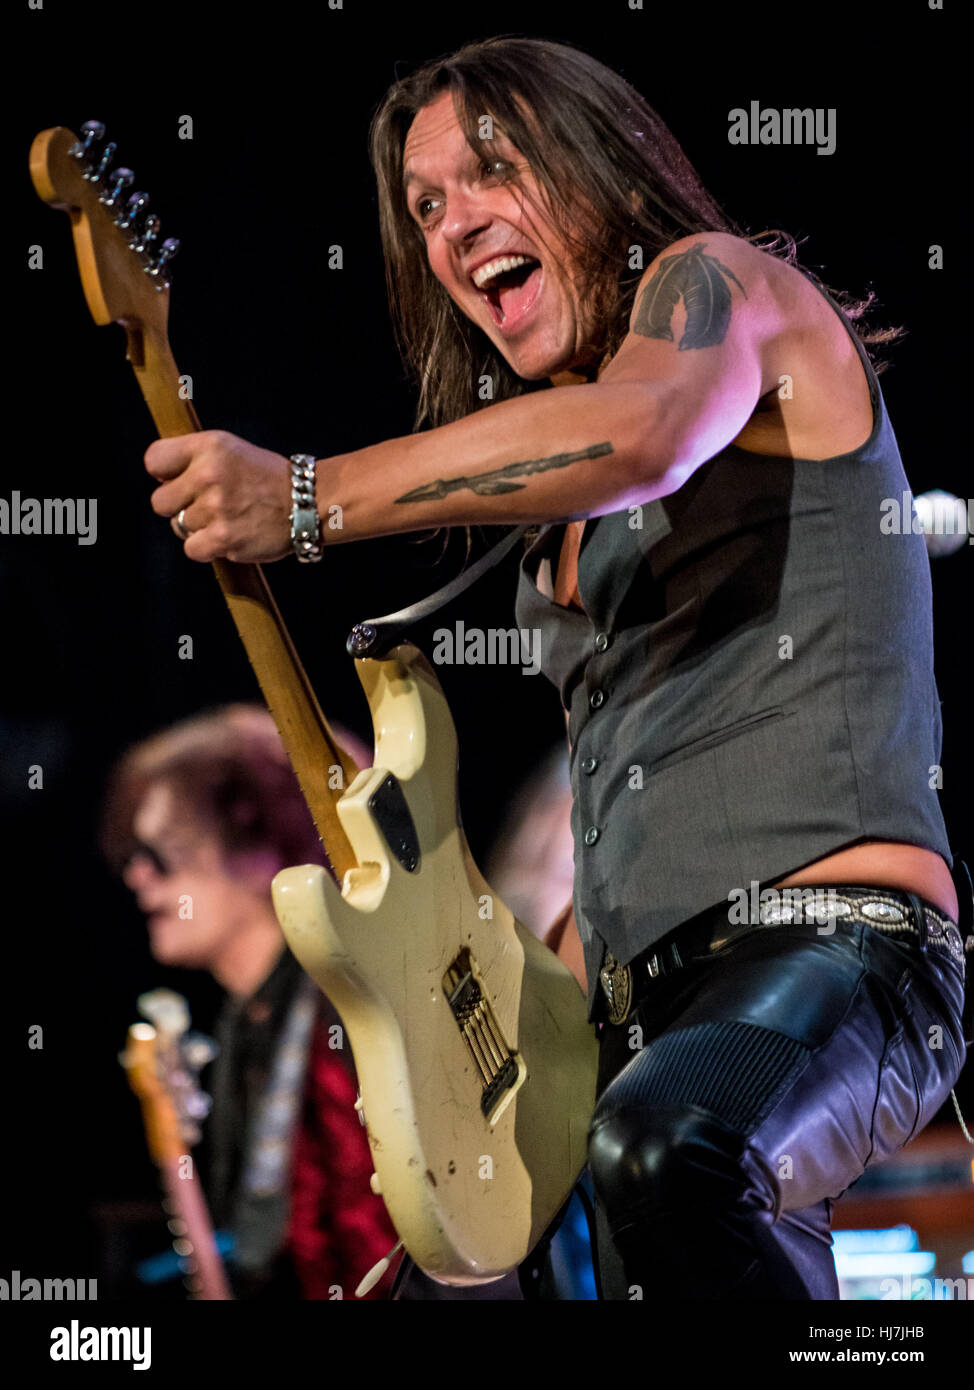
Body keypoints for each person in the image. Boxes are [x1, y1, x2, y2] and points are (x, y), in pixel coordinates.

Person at [138, 37, 969, 1299]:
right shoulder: (550, 538)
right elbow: (625, 819)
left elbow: (639, 434)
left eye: (491, 172)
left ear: (599, 168)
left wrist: (306, 498)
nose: (454, 223)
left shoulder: (719, 285)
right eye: (424, 206)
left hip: (840, 950)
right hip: (638, 1021)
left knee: (672, 1151)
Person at [101, 704, 400, 1299]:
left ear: (265, 842)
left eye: (162, 852)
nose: (138, 876)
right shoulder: (244, 1022)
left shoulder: (351, 1004)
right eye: (134, 855)